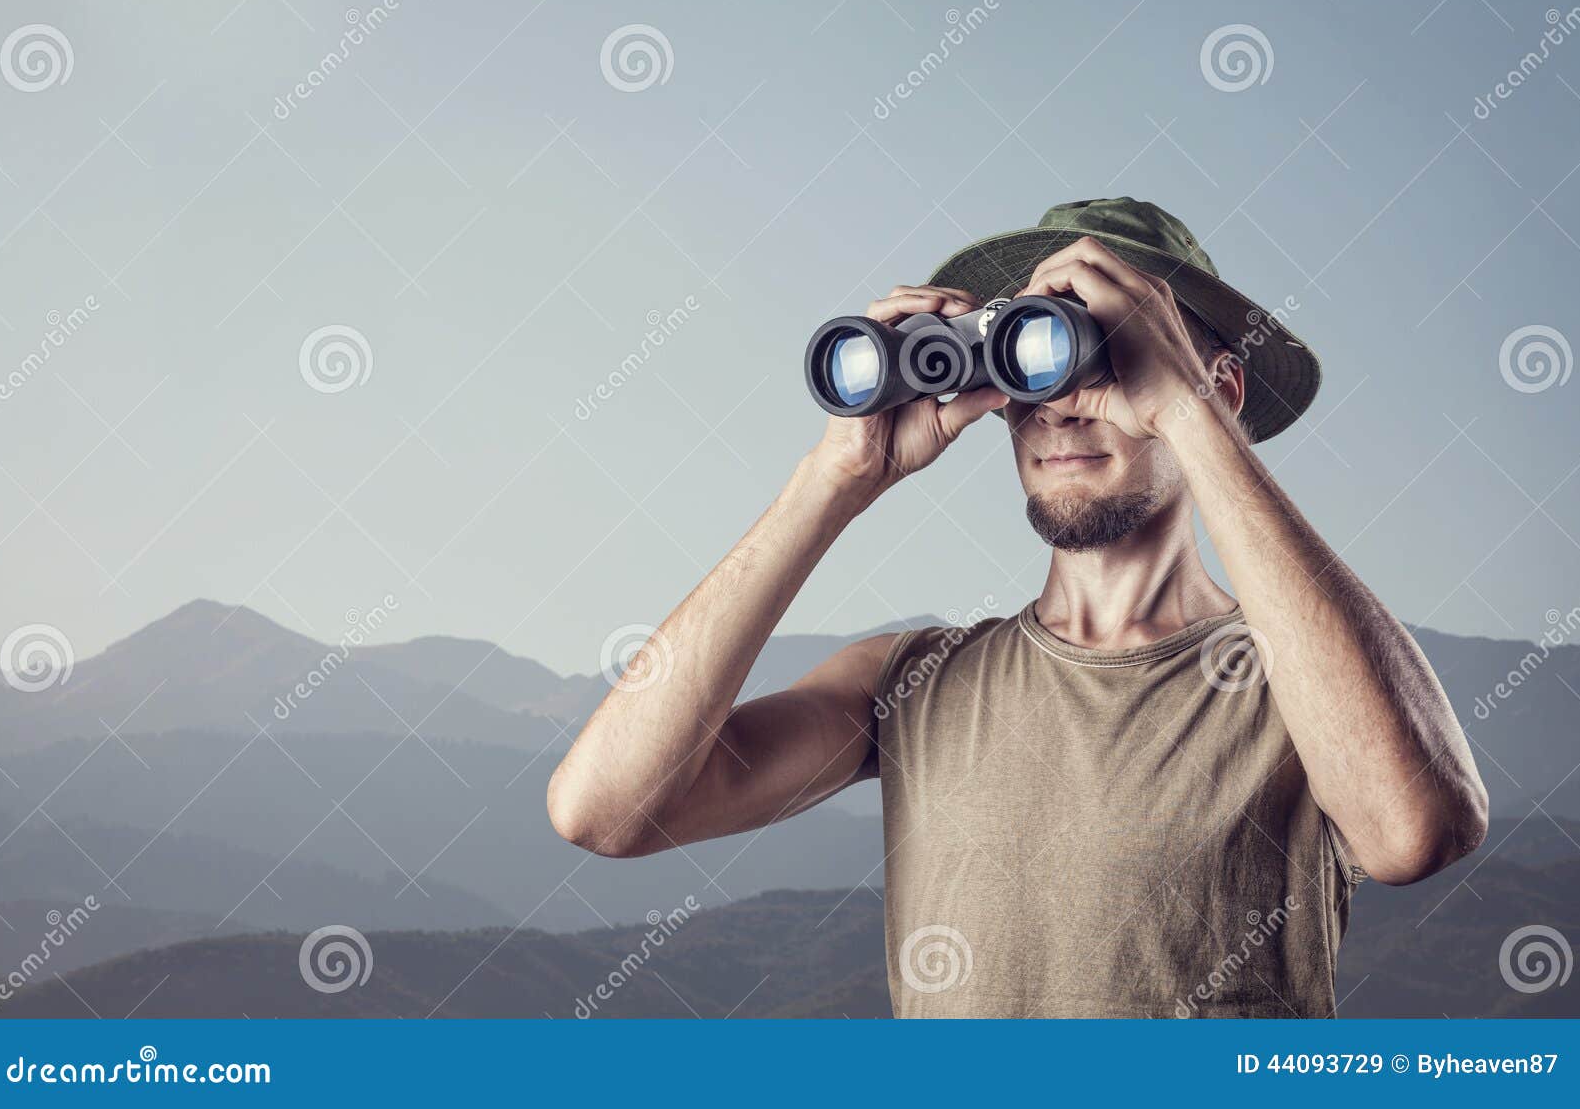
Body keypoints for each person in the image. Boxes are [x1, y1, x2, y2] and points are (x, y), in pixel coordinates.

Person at [547, 197, 1488, 1017]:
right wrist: (833, 479)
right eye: (1035, 356)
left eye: (1108, 355)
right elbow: (605, 811)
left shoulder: (1301, 676)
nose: (1062, 406)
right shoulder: (911, 683)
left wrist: (1190, 414)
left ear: (1217, 386)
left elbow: (1416, 833)